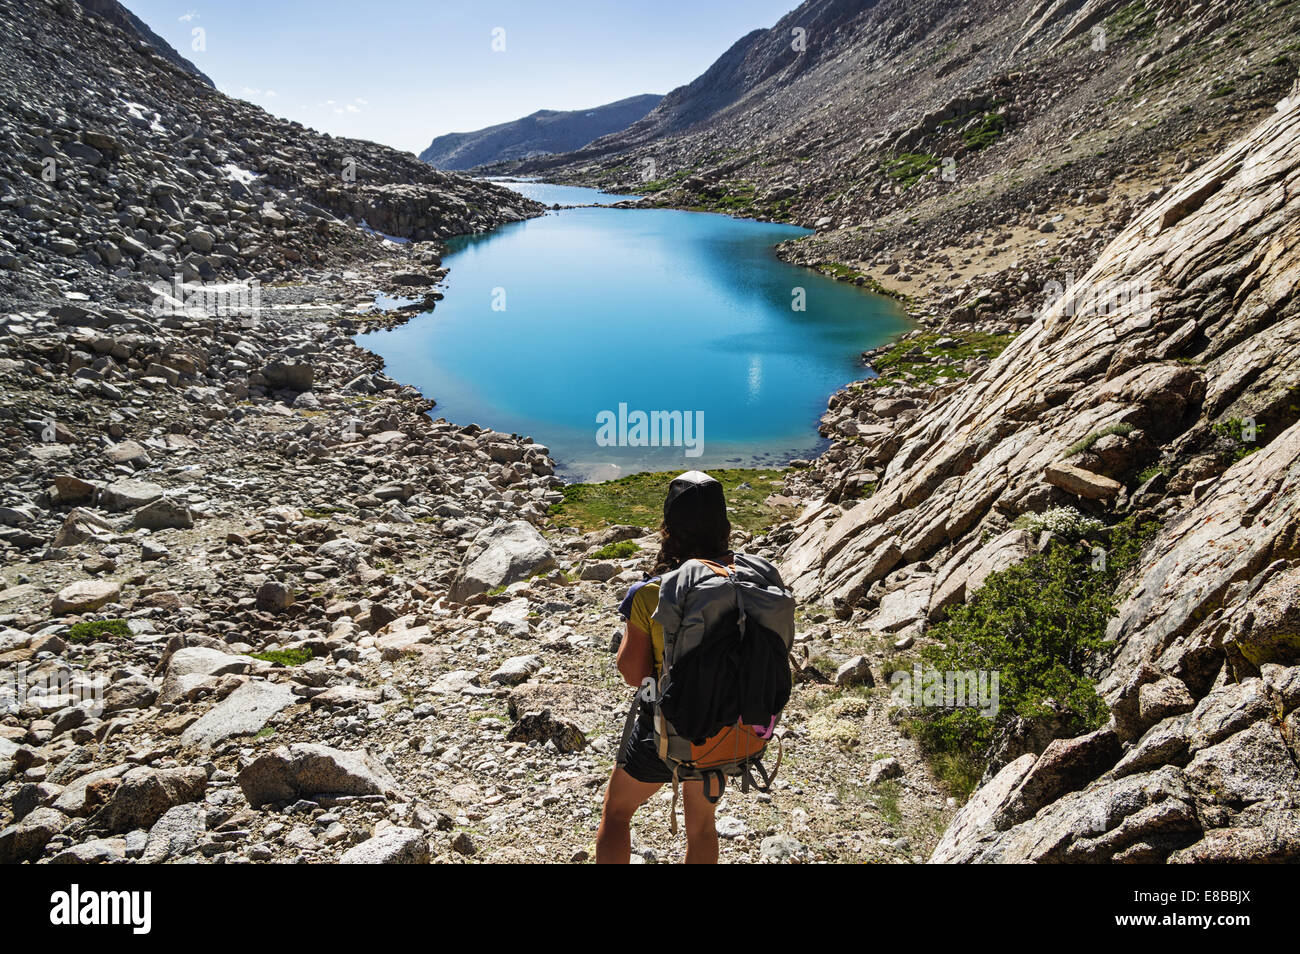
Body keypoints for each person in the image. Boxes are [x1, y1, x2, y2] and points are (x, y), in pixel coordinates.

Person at [596, 470, 733, 864]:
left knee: (617, 812)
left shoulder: (652, 593)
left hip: (667, 730)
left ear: (668, 528)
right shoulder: (744, 581)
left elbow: (633, 674)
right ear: (724, 527)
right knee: (703, 827)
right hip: (728, 725)